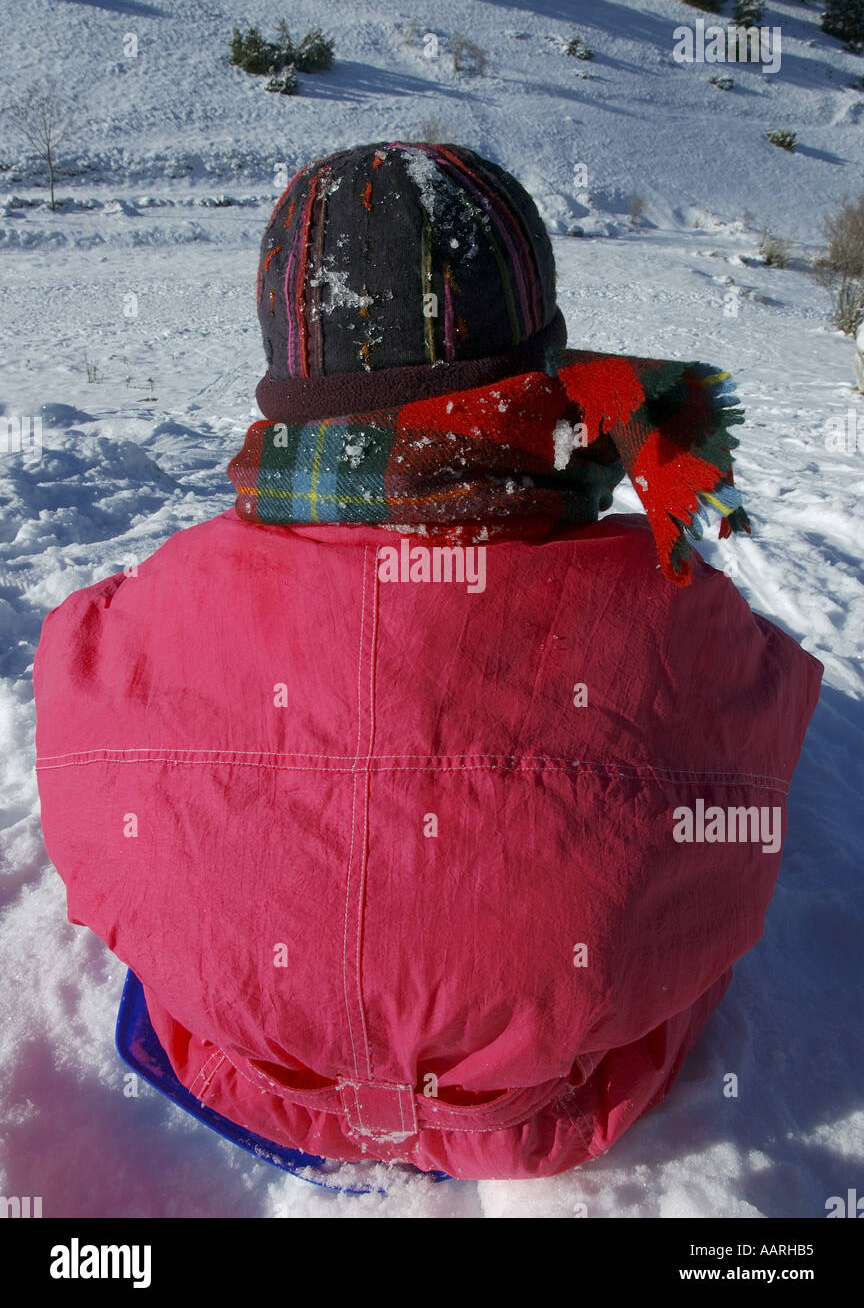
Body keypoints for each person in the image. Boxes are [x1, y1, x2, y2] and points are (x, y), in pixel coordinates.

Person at [34, 142, 822, 1181]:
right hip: (567, 1094)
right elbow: (770, 725)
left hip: (238, 1063)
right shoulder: (677, 619)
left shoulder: (142, 620)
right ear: (540, 358)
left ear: (289, 378)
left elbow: (77, 702)